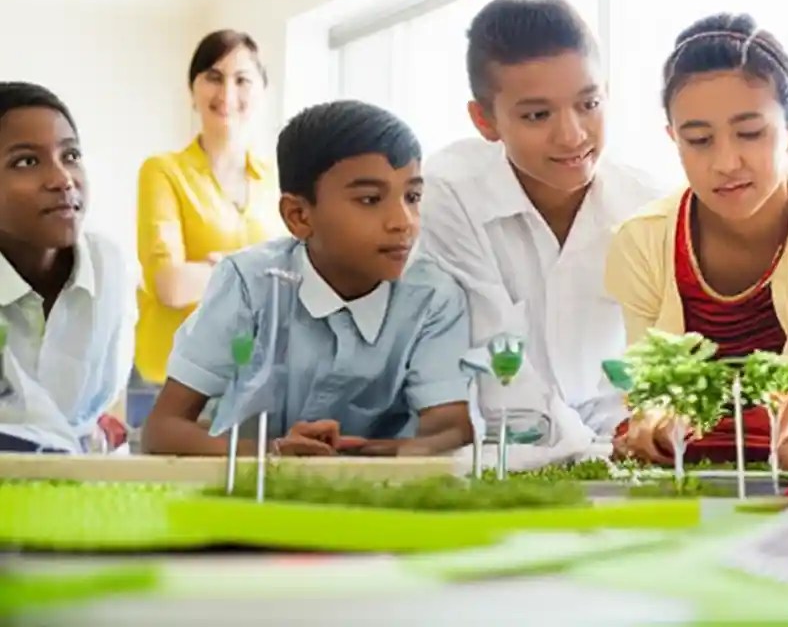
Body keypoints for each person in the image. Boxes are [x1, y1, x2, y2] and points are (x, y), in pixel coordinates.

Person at [605, 13, 788, 466]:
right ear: (674, 140)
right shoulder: (641, 240)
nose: (726, 162)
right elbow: (651, 382)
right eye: (699, 140)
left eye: (750, 133)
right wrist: (649, 422)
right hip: (686, 475)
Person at [141, 100, 473, 457]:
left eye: (413, 196)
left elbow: (450, 426)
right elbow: (162, 430)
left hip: (375, 501)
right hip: (248, 495)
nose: (403, 221)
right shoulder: (249, 284)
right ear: (299, 216)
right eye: (370, 199)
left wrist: (367, 455)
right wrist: (275, 452)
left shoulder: (433, 298)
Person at [419, 0, 664, 448]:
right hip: (497, 457)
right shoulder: (448, 192)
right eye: (537, 115)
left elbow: (654, 364)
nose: (571, 135)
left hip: (624, 452)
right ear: (484, 120)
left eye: (588, 104)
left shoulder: (649, 205)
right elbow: (497, 366)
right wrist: (598, 453)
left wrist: (641, 438)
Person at [134, 30, 283, 400]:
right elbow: (170, 285)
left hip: (251, 380)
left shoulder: (277, 180)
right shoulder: (163, 171)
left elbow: (294, 283)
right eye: (213, 77)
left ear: (262, 91)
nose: (227, 95)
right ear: (192, 90)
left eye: (242, 80)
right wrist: (254, 273)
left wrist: (216, 270)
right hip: (170, 378)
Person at [0, 82, 134, 453]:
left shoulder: (108, 266)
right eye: (26, 161)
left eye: (70, 155)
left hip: (81, 482)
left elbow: (99, 407)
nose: (62, 180)